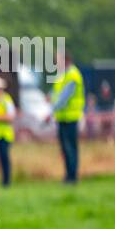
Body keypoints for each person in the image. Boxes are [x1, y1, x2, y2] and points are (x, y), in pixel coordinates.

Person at [44, 48, 84, 184]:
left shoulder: (73, 75)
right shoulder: (62, 75)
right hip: (62, 118)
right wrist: (49, 96)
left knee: (70, 148)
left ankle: (72, 177)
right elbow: (56, 92)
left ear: (66, 60)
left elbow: (64, 98)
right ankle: (68, 175)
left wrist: (50, 112)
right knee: (65, 149)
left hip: (71, 117)